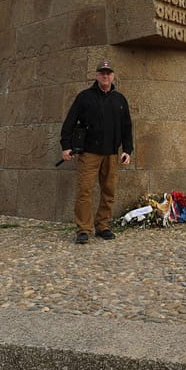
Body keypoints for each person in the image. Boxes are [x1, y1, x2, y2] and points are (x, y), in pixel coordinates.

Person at [60, 59, 133, 244]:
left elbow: (127, 127)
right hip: (89, 153)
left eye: (108, 73)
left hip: (111, 154)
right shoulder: (84, 97)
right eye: (102, 73)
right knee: (84, 191)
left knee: (109, 191)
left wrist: (128, 149)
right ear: (96, 75)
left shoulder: (120, 100)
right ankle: (83, 229)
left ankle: (103, 226)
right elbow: (69, 122)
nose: (105, 76)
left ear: (113, 75)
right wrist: (66, 146)